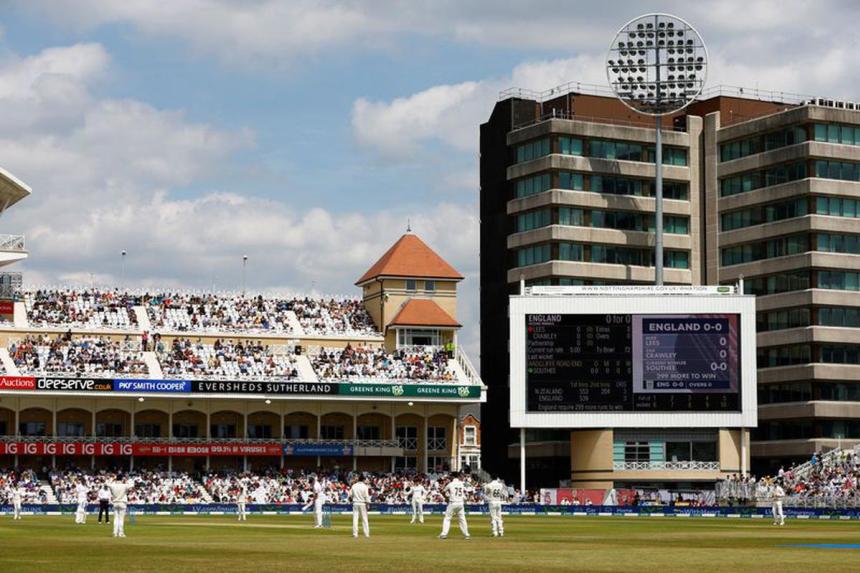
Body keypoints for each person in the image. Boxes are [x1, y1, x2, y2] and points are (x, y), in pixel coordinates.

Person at [439, 472, 470, 540]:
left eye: (450, 476)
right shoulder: (461, 484)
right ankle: (466, 534)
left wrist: (446, 498)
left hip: (453, 503)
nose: (449, 477)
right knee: (462, 519)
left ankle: (444, 534)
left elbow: (443, 491)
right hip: (460, 503)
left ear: (453, 477)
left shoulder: (450, 484)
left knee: (447, 518)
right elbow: (464, 493)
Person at [108, 474, 131, 538]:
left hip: (115, 502)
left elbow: (107, 483)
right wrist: (126, 480)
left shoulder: (113, 485)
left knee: (116, 519)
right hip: (122, 503)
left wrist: (112, 479)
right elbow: (131, 485)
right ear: (122, 479)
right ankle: (121, 533)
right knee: (121, 519)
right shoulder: (124, 485)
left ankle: (115, 533)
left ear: (116, 479)